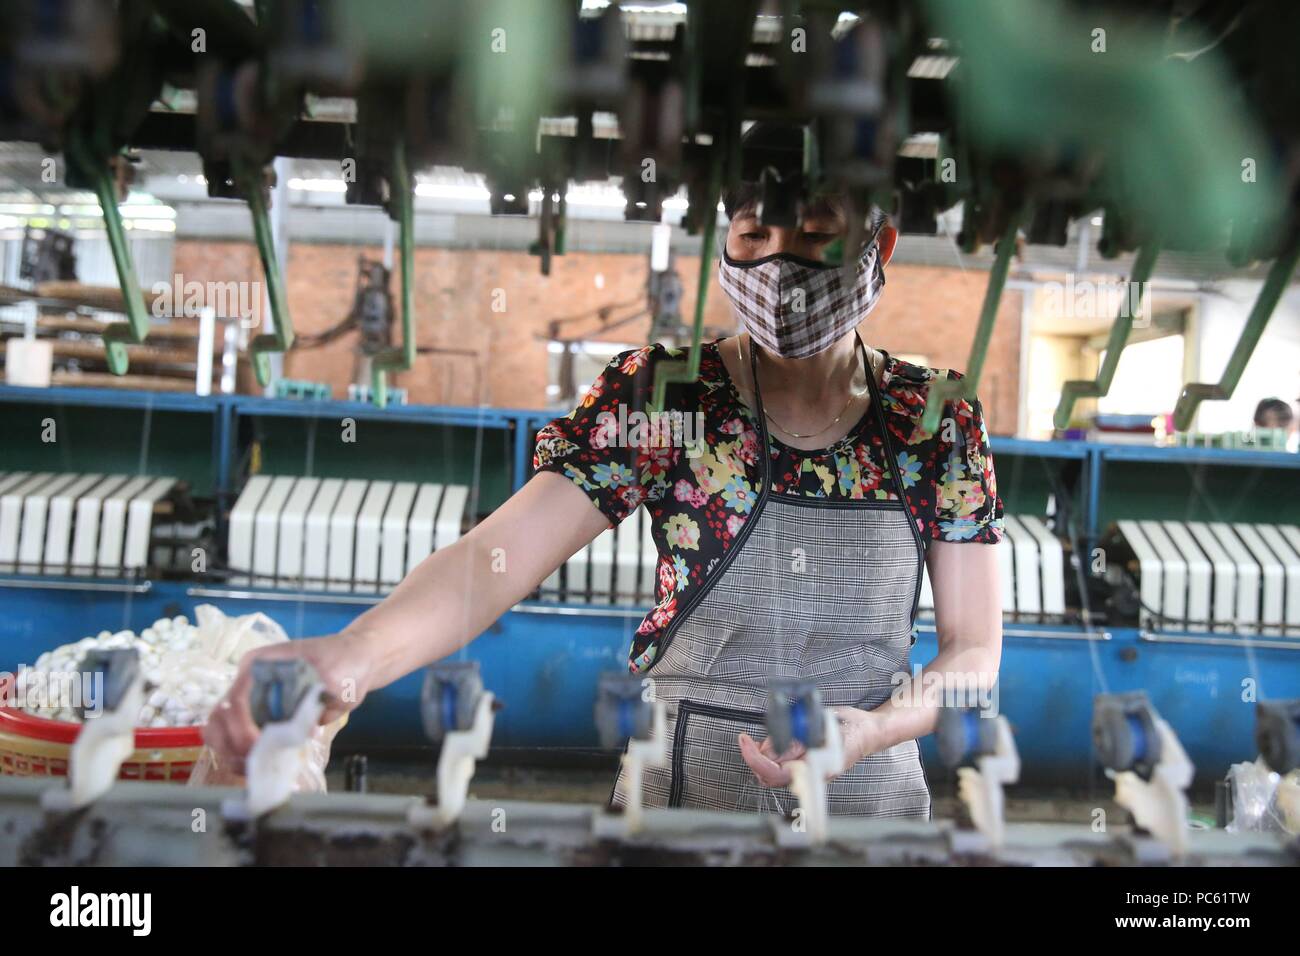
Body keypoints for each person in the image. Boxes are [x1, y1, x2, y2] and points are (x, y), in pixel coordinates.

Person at [205, 122, 1005, 819]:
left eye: (816, 230)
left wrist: (875, 728)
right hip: (679, 800)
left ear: (881, 243)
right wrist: (355, 654)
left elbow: (973, 654)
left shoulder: (932, 419)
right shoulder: (667, 394)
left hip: (869, 804)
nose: (780, 263)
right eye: (756, 236)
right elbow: (499, 558)